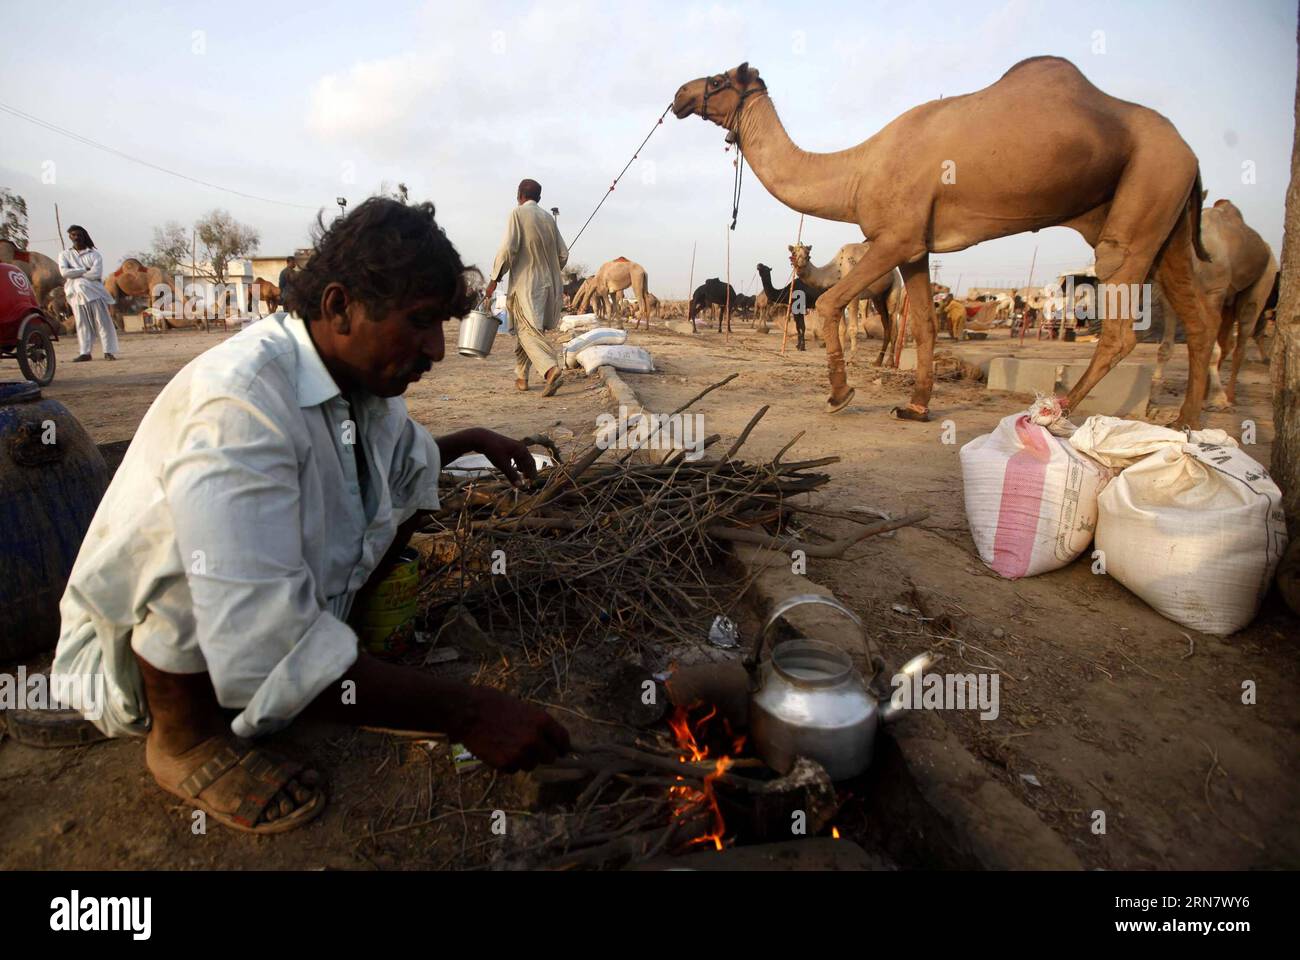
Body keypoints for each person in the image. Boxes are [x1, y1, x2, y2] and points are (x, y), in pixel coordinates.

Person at [52, 198, 570, 834]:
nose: (437, 348)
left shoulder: (353, 382)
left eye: (441, 324)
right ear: (337, 307)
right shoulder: (241, 399)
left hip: (262, 626)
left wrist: (471, 439)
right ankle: (182, 739)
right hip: (150, 654)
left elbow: (381, 472)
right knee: (203, 544)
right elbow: (251, 622)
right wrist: (465, 712)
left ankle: (336, 659)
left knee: (410, 461)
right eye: (420, 322)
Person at [483, 179, 568, 396]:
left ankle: (550, 370)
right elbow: (563, 254)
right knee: (528, 329)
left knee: (526, 330)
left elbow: (507, 250)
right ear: (538, 198)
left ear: (520, 195)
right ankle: (521, 376)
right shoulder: (549, 219)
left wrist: (494, 279)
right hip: (549, 285)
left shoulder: (517, 214)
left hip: (527, 284)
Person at [58, 225, 118, 361]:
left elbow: (95, 273)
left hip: (94, 292)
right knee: (82, 324)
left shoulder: (94, 254)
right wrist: (84, 269)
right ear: (70, 237)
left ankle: (108, 351)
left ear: (84, 235)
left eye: (79, 234)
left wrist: (76, 273)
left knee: (103, 323)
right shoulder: (65, 255)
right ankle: (85, 352)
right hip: (75, 295)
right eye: (73, 235)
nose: (76, 237)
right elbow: (64, 273)